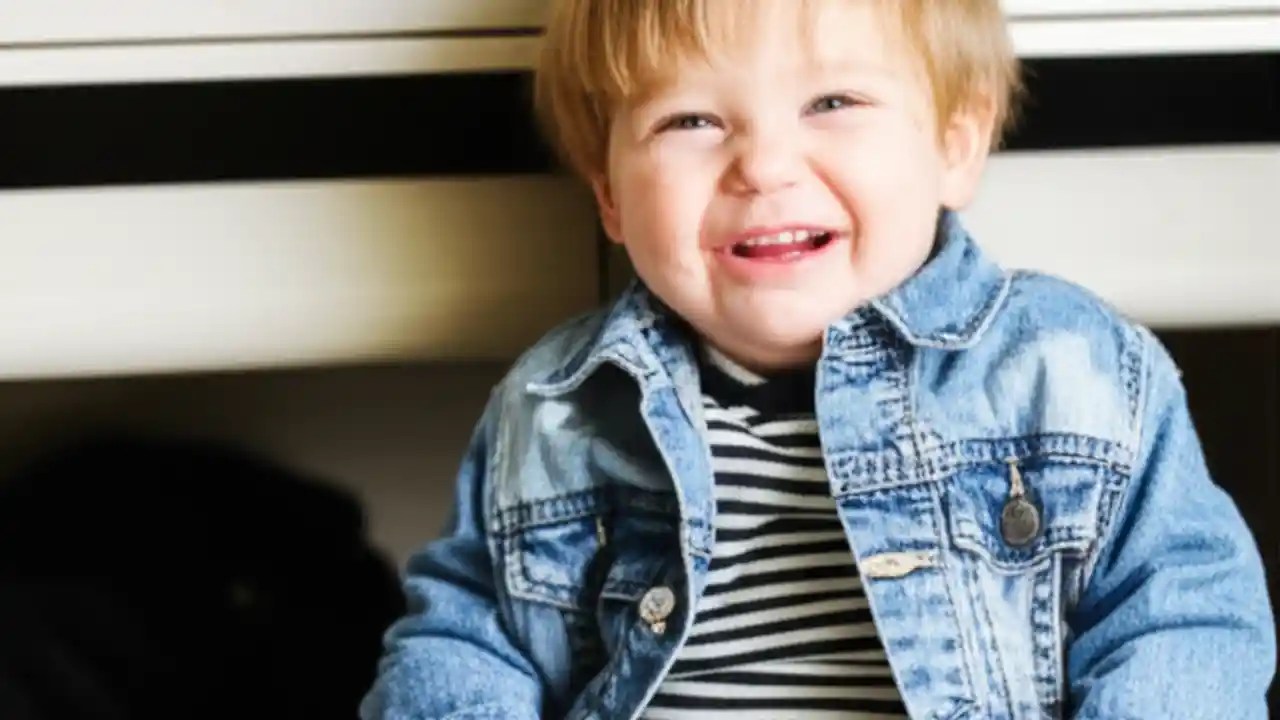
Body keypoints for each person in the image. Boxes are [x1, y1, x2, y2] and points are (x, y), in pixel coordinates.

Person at [360, 1, 1275, 717]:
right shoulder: (557, 408)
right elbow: (466, 639)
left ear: (955, 144)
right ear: (609, 193)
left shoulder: (1074, 373)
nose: (762, 166)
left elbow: (1182, 618)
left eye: (831, 102)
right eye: (689, 120)